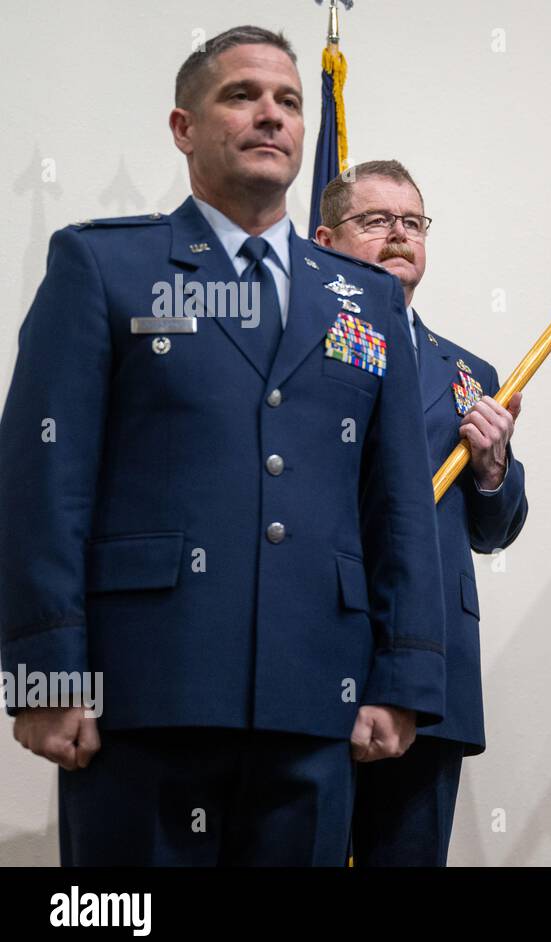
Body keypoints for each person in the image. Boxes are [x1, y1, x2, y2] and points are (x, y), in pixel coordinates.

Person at [0, 26, 446, 865]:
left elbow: (396, 504)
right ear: (184, 127)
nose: (270, 117)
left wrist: (407, 679)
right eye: (241, 96)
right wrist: (46, 678)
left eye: (288, 102)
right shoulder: (105, 266)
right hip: (140, 701)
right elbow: (42, 482)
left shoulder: (366, 300)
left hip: (319, 698)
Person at [316, 160, 528, 866]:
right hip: (318, 645)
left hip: (436, 660)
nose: (400, 235)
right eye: (375, 221)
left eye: (413, 222)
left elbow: (490, 529)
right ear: (324, 240)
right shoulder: (293, 349)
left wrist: (495, 467)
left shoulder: (470, 374)